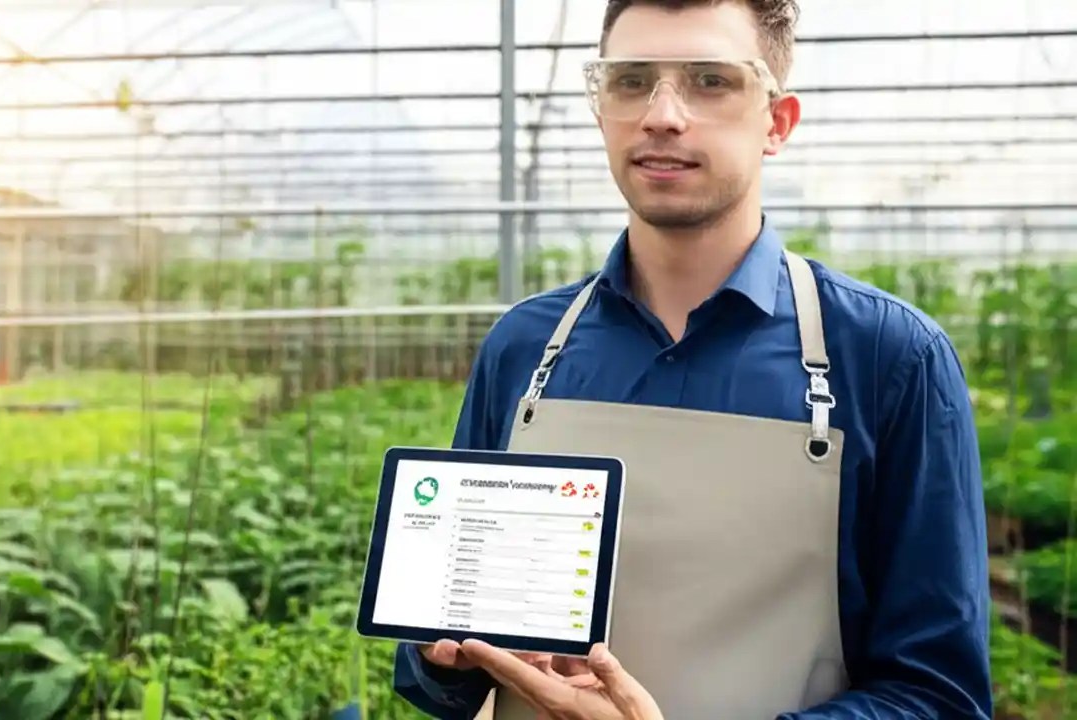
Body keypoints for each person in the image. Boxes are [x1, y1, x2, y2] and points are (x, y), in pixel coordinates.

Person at [392, 0, 993, 719]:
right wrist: (447, 652)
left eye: (710, 80)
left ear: (777, 121)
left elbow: (939, 695)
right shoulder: (525, 347)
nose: (662, 114)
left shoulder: (889, 358)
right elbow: (443, 668)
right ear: (601, 110)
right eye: (631, 80)